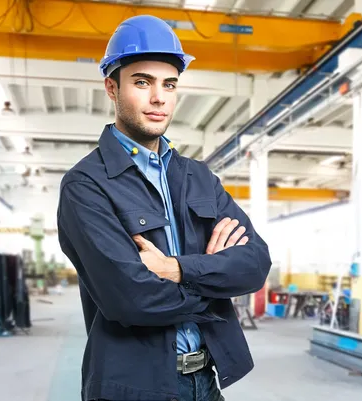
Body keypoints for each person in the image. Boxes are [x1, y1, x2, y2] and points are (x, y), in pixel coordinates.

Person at [57, 15, 272, 401]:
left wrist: (177, 269)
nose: (159, 98)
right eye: (142, 82)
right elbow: (131, 300)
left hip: (206, 382)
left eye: (168, 84)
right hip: (134, 388)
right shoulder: (85, 185)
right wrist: (218, 286)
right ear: (112, 86)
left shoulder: (199, 177)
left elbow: (256, 263)